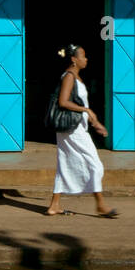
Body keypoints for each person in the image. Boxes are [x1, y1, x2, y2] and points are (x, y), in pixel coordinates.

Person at [46, 43, 119, 218]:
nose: (86, 59)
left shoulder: (76, 77)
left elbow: (81, 104)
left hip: (74, 128)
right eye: (83, 56)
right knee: (95, 164)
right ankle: (100, 204)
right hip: (73, 130)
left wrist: (96, 123)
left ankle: (54, 205)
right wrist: (86, 111)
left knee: (64, 163)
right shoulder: (69, 76)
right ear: (74, 59)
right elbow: (64, 102)